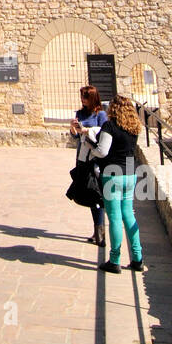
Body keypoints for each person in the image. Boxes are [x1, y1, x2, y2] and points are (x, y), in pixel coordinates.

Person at [93, 95, 145, 274]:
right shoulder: (135, 127)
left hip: (113, 173)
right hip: (130, 173)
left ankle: (114, 260)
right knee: (128, 214)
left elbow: (102, 151)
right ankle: (137, 258)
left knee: (114, 217)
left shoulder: (110, 126)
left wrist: (91, 148)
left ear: (113, 109)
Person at [69, 85, 107, 246]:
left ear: (92, 98)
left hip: (96, 158)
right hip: (83, 157)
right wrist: (74, 129)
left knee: (96, 193)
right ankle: (97, 230)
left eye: (84, 97)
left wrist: (86, 130)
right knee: (90, 194)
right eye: (81, 97)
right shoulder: (80, 113)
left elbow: (105, 133)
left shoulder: (101, 114)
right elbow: (75, 137)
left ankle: (100, 233)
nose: (82, 100)